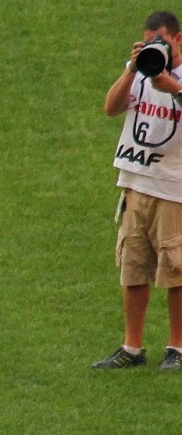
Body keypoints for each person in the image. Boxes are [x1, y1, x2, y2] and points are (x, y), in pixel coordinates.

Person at [97, 10, 182, 370]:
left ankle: (177, 349)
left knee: (177, 269)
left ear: (178, 39)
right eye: (149, 42)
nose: (155, 48)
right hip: (135, 182)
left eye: (161, 41)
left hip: (175, 187)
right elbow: (111, 108)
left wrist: (175, 88)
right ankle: (132, 347)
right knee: (133, 266)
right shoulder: (140, 71)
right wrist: (132, 69)